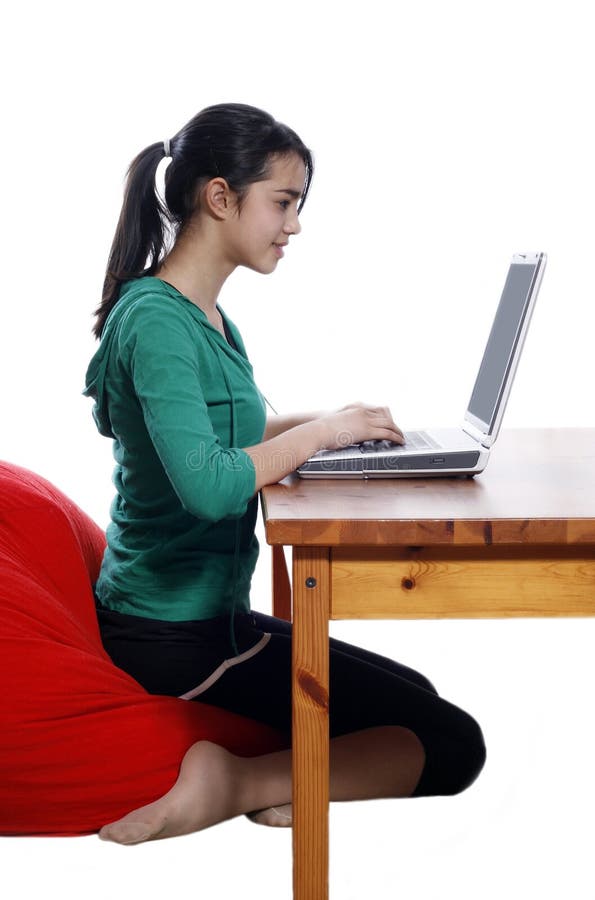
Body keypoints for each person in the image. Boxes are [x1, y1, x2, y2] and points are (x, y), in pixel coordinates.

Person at [84, 102, 486, 844]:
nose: (293, 224)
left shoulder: (200, 315)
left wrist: (325, 429)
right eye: (283, 201)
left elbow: (216, 437)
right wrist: (323, 434)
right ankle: (231, 781)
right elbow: (207, 484)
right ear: (218, 197)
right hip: (170, 637)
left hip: (210, 622)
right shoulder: (157, 322)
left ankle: (267, 778)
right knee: (453, 743)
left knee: (417, 703)